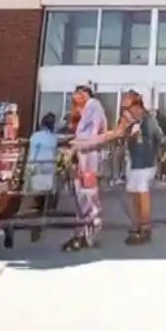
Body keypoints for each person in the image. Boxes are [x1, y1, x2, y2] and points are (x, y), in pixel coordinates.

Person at [65, 85, 114, 249]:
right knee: (83, 193)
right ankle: (84, 230)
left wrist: (77, 144)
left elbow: (92, 133)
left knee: (87, 192)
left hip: (88, 155)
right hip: (85, 155)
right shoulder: (87, 109)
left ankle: (88, 229)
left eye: (77, 95)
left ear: (83, 94)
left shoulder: (93, 106)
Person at [119, 90, 165, 245]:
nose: (126, 111)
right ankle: (137, 221)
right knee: (134, 192)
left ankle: (145, 225)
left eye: (128, 107)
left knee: (142, 191)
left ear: (136, 105)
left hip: (145, 160)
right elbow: (120, 138)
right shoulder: (127, 121)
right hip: (132, 160)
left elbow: (159, 137)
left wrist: (158, 152)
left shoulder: (148, 120)